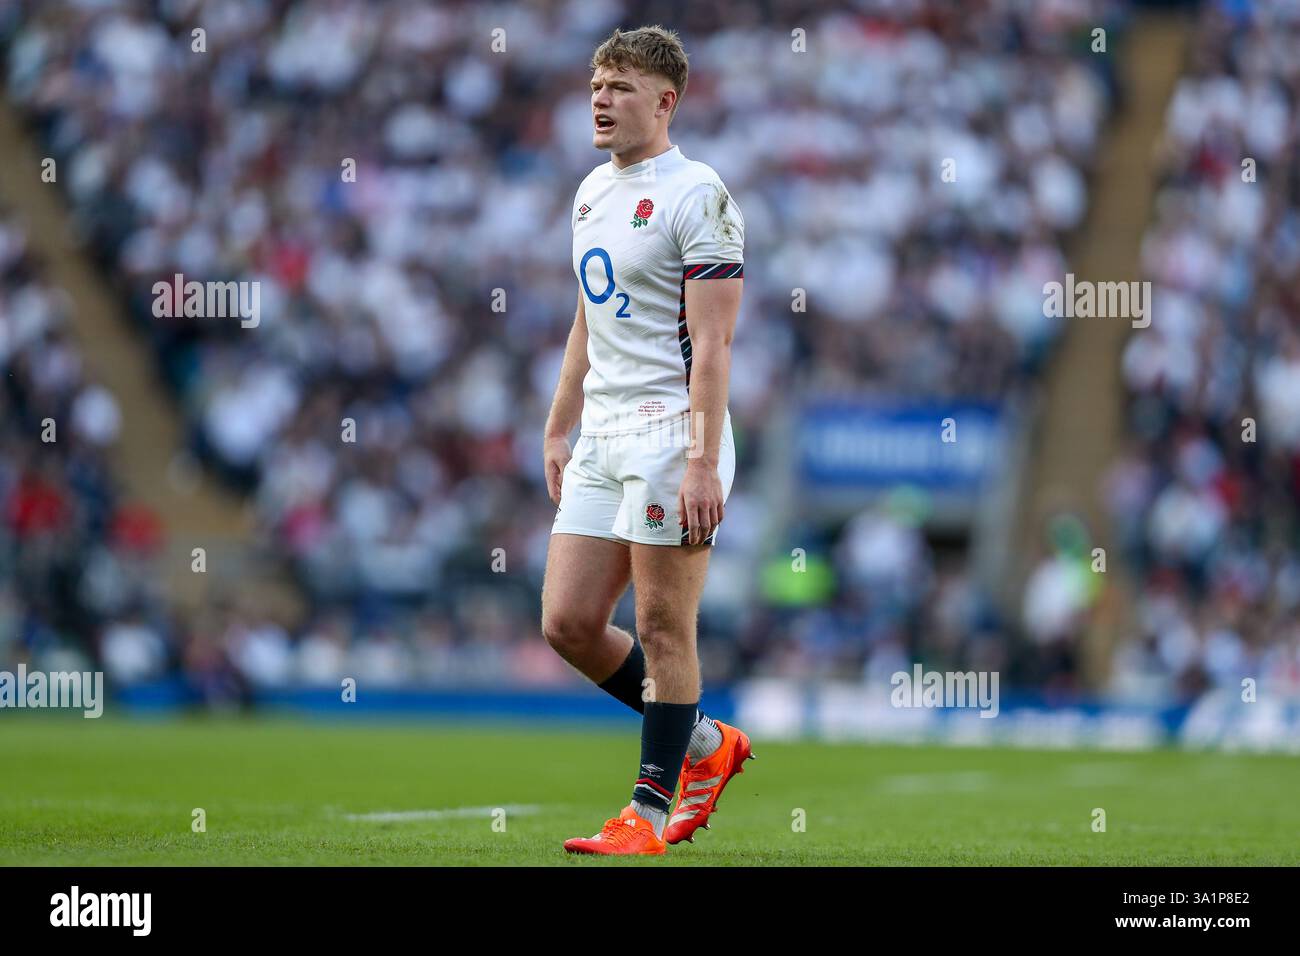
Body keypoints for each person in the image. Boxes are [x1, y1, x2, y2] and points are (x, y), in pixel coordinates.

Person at [540, 25, 754, 856]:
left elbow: (715, 346)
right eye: (597, 83)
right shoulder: (591, 191)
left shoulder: (699, 193)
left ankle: (648, 813)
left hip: (672, 431)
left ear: (665, 102)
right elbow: (586, 322)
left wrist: (703, 459)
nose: (601, 98)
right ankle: (706, 743)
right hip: (603, 432)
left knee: (666, 628)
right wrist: (561, 423)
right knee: (567, 622)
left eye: (621, 86)